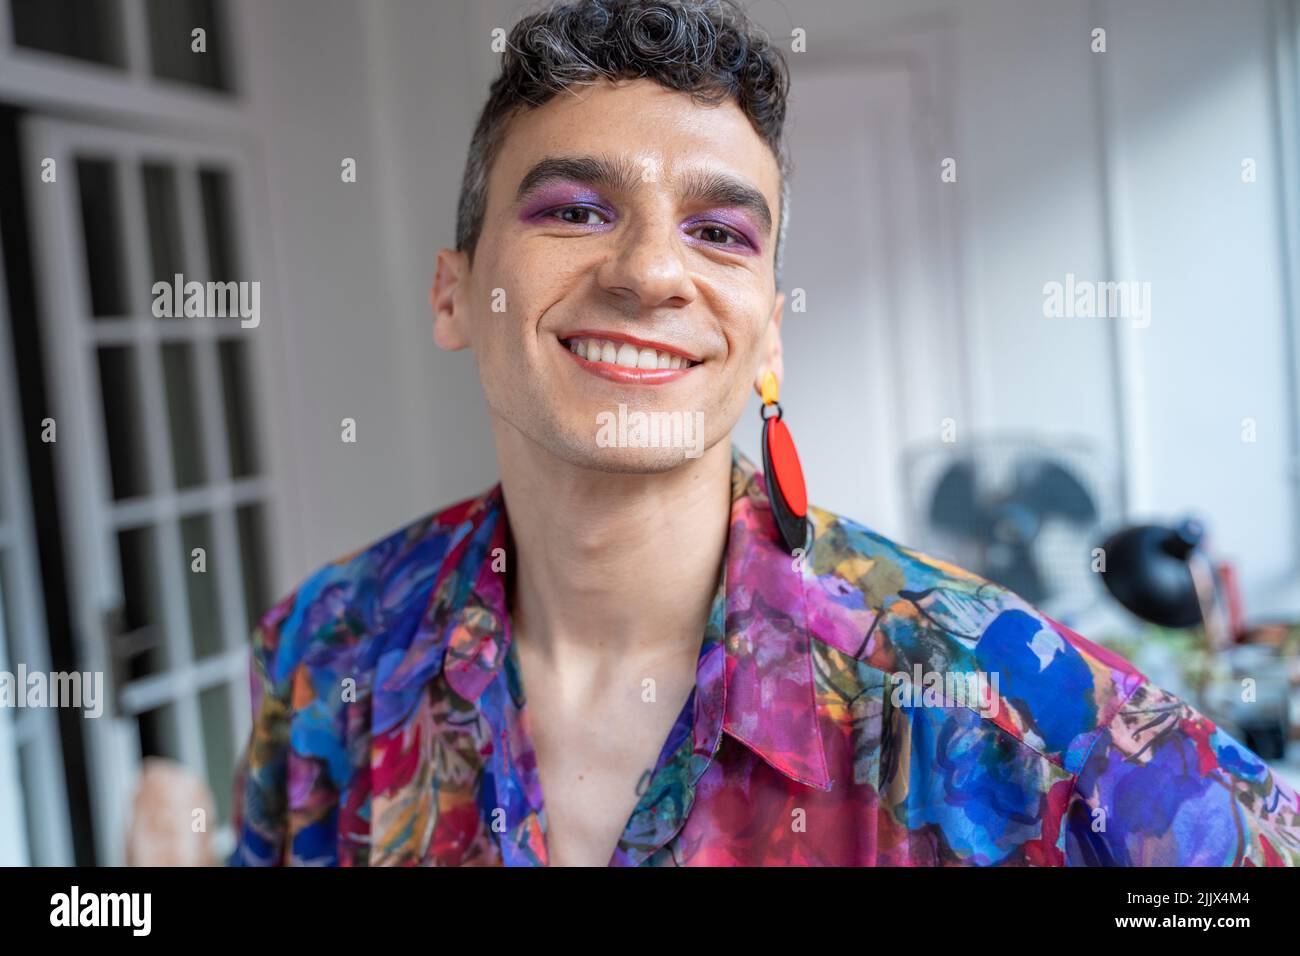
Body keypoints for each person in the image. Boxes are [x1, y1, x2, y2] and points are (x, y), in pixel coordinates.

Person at [229, 0, 1300, 866]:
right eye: (573, 209)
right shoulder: (330, 649)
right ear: (453, 294)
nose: (651, 271)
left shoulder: (974, 689)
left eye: (718, 232)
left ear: (768, 334)